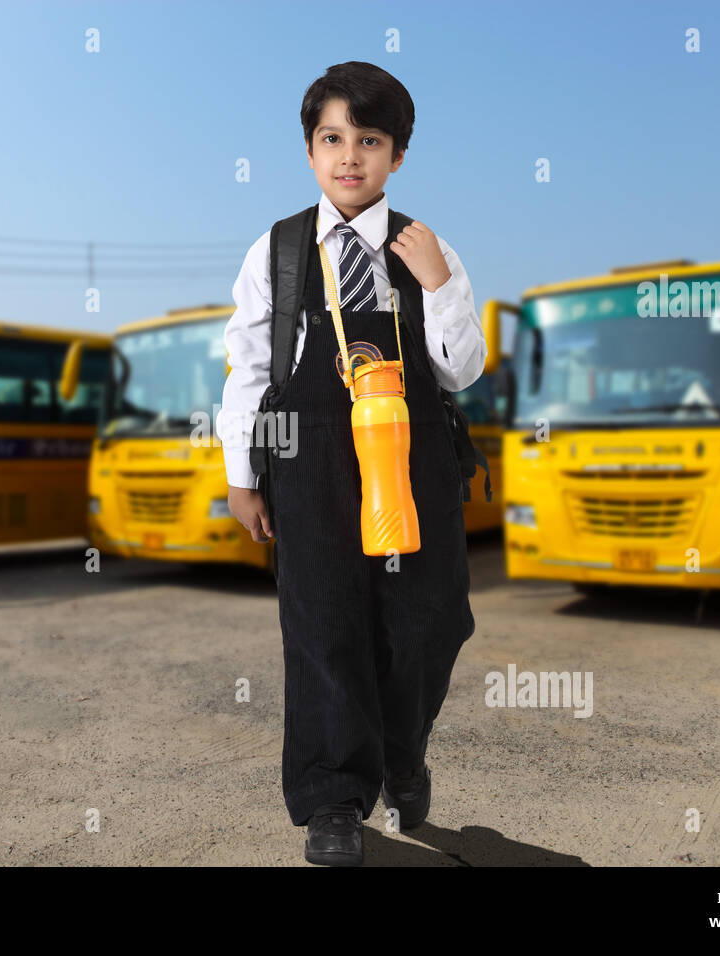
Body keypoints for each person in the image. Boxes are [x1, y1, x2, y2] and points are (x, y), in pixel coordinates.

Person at [216, 61, 487, 865]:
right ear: (310, 150)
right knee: (324, 630)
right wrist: (243, 474)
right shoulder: (279, 248)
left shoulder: (427, 247)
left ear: (396, 155)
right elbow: (249, 369)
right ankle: (333, 801)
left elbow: (461, 367)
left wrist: (437, 285)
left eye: (369, 141)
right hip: (312, 464)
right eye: (333, 138)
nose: (350, 157)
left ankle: (403, 754)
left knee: (429, 627)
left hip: (416, 463)